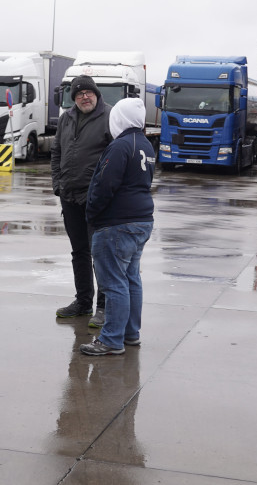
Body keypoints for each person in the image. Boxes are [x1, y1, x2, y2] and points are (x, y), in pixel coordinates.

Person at [80, 98, 155, 356]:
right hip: (141, 220)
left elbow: (104, 185)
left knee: (113, 283)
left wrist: (91, 213)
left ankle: (112, 339)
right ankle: (130, 333)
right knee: (131, 278)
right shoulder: (144, 144)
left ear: (119, 118)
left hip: (117, 224)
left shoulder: (120, 146)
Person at [50, 75, 113, 326]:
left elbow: (115, 157)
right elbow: (57, 152)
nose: (84, 97)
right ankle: (83, 302)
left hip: (96, 199)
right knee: (79, 252)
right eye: (78, 94)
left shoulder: (109, 116)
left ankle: (104, 307)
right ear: (73, 98)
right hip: (69, 196)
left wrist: (103, 192)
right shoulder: (66, 118)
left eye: (88, 92)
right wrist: (57, 184)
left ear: (96, 94)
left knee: (101, 255)